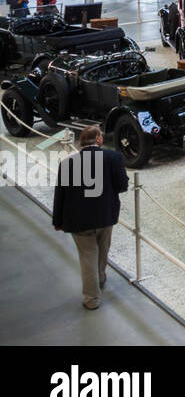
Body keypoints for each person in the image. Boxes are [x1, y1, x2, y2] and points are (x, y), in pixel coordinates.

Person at [53, 126, 129, 310]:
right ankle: (100, 279)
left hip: (79, 221)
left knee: (87, 257)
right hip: (105, 216)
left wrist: (58, 221)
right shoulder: (113, 158)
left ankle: (92, 299)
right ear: (98, 139)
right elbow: (122, 186)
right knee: (103, 251)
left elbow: (60, 195)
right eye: (101, 135)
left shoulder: (67, 164)